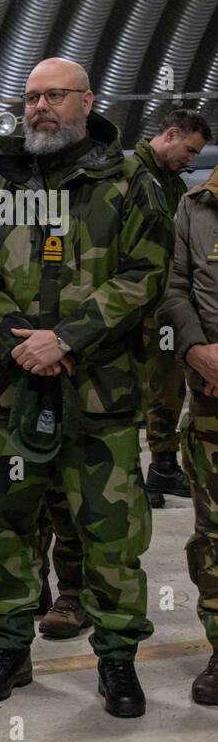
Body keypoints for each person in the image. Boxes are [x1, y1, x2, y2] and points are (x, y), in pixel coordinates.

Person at [0, 57, 168, 718]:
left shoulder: (129, 182)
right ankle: (10, 648)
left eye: (54, 95)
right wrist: (20, 340)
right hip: (12, 394)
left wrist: (67, 339)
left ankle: (116, 661)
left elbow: (145, 273)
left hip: (98, 397)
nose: (40, 107)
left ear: (87, 101)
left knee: (111, 539)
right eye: (31, 97)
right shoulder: (1, 187)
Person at [134, 110, 213, 508]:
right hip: (130, 305)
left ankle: (162, 464)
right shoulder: (128, 174)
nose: (192, 159)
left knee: (166, 385)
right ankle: (129, 474)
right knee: (133, 390)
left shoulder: (169, 182)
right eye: (190, 149)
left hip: (160, 304)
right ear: (169, 134)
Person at [161, 164, 218, 705]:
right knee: (214, 536)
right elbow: (174, 287)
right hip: (210, 397)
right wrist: (195, 349)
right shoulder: (196, 206)